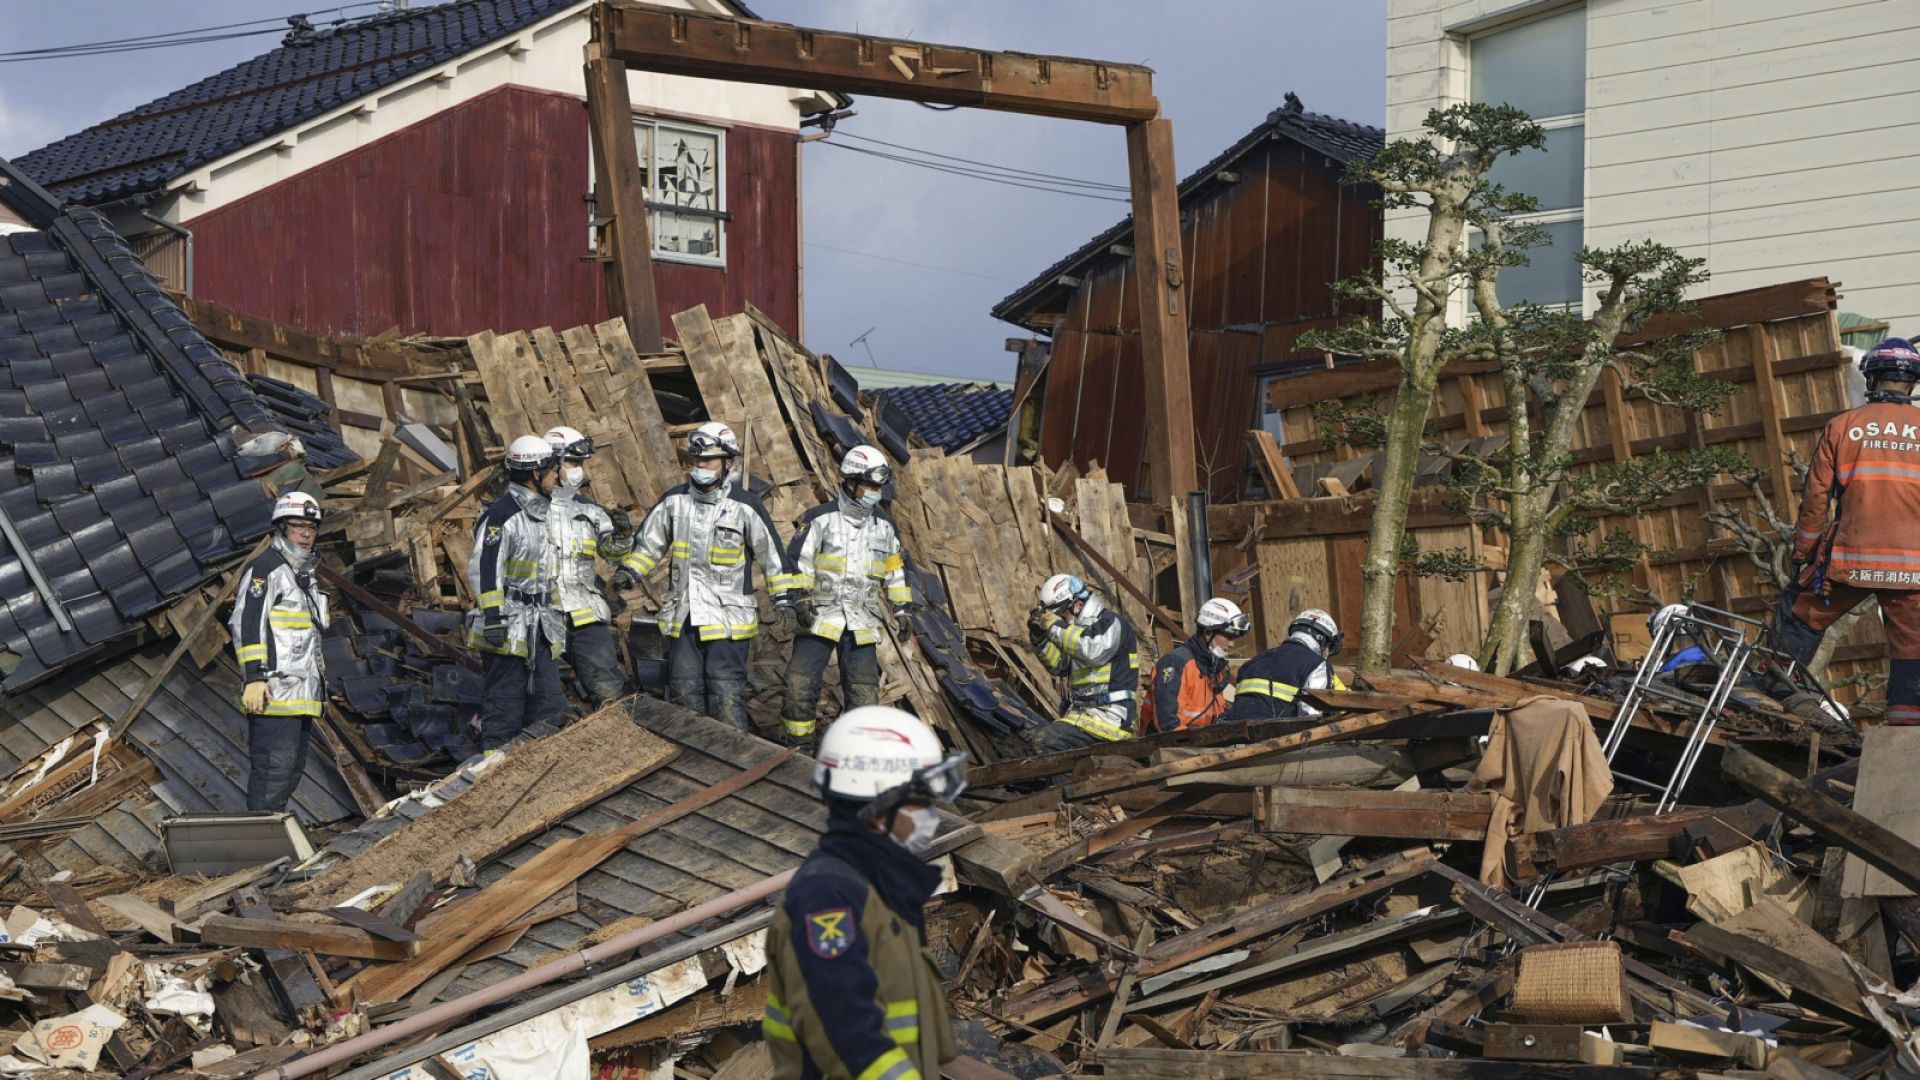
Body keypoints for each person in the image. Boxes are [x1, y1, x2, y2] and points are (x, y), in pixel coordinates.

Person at [763, 706, 962, 1080]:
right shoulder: (827, 896)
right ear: (878, 807)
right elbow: (847, 1037)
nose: (929, 815)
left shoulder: (879, 883)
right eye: (920, 802)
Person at [1769, 337, 1920, 725]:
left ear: (1871, 378)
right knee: (1912, 644)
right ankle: (1906, 722)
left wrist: (1802, 554)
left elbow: (1815, 502)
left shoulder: (1842, 426)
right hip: (1912, 567)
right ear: (1913, 382)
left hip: (1849, 562)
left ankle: (1776, 692)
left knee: (1800, 615)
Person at [619, 422, 804, 731]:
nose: (700, 467)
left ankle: (734, 761)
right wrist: (629, 572)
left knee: (725, 695)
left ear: (728, 462)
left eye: (708, 460)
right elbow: (648, 545)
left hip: (727, 621)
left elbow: (773, 557)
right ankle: (695, 764)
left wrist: (785, 600)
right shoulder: (674, 501)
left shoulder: (745, 506)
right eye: (696, 460)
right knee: (684, 694)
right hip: (684, 618)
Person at [779, 446, 914, 750]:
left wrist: (903, 608)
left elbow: (895, 571)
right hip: (818, 617)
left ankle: (856, 753)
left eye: (878, 487)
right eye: (869, 485)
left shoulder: (885, 528)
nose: (874, 493)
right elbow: (796, 561)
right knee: (799, 685)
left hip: (862, 620)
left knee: (864, 694)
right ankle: (799, 748)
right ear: (849, 483)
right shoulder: (819, 519)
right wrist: (800, 598)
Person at [229, 490, 331, 811]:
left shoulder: (304, 575)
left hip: (301, 696)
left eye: (311, 528)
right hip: (273, 694)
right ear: (282, 527)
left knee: (289, 773)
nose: (305, 534)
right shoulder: (266, 569)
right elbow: (246, 623)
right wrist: (254, 678)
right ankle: (258, 846)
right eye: (298, 526)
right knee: (272, 774)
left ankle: (270, 841)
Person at [466, 434, 568, 750]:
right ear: (535, 474)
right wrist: (494, 618)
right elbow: (484, 569)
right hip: (507, 628)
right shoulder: (502, 516)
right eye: (553, 471)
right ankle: (494, 777)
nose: (558, 477)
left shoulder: (543, 513)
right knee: (504, 709)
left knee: (549, 708)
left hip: (541, 627)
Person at [542, 425, 636, 705]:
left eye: (580, 464)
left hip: (585, 613)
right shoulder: (526, 510)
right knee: (541, 694)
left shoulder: (590, 511)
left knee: (608, 689)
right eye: (572, 462)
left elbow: (612, 556)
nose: (578, 470)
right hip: (541, 616)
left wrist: (622, 536)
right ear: (553, 462)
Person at [1025, 574, 1142, 752]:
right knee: (1034, 739)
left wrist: (1054, 626)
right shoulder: (1076, 634)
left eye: (1061, 614)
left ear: (1077, 604)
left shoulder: (1111, 623)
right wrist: (1039, 639)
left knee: (1046, 741)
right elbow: (1059, 665)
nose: (1060, 620)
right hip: (1083, 716)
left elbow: (1091, 649)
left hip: (1110, 718)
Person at [1224, 608, 1346, 722]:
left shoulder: (1252, 663)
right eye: (1329, 648)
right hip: (1280, 739)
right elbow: (1313, 717)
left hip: (1236, 737)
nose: (1326, 654)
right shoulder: (1317, 665)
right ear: (1322, 640)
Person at [1148, 597, 1247, 733]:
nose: (1232, 644)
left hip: (1202, 746)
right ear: (1208, 633)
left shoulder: (1214, 670)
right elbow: (1168, 724)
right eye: (1228, 636)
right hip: (1172, 749)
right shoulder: (1176, 663)